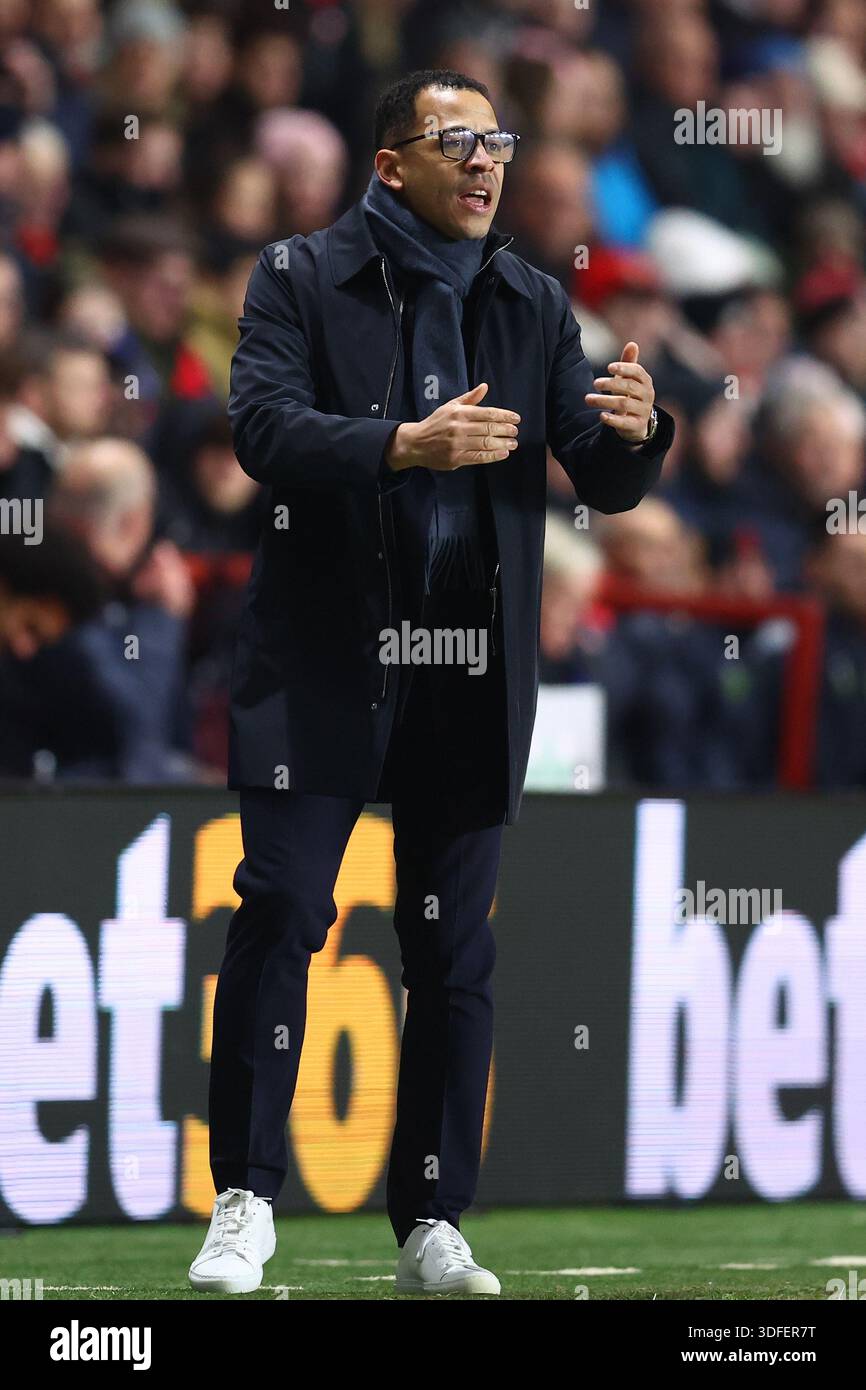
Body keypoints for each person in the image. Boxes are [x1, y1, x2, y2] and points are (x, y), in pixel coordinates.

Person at [190, 68, 673, 1297]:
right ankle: (244, 1199)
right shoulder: (299, 275)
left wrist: (631, 436)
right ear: (389, 162)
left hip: (467, 669)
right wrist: (399, 446)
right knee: (287, 909)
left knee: (452, 956)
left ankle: (429, 1222)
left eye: (495, 141)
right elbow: (261, 431)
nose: (484, 162)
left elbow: (596, 477)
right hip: (322, 663)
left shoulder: (528, 300)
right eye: (454, 141)